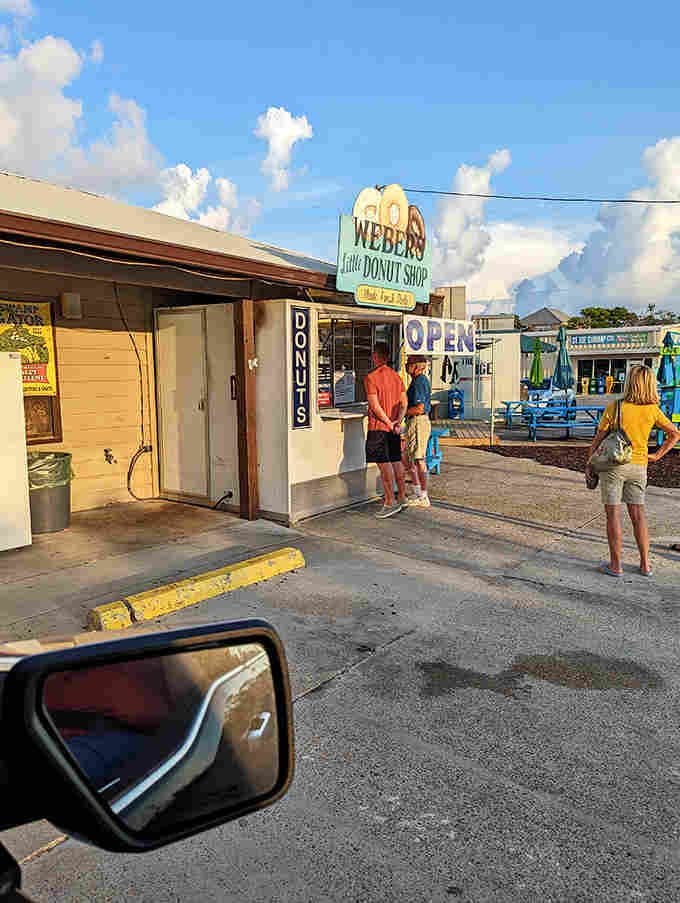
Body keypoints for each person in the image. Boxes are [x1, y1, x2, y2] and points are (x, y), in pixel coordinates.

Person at [586, 365, 680, 576]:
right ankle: (645, 564)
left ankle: (616, 565)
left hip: (613, 466)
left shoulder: (615, 407)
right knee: (638, 516)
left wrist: (589, 463)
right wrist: (657, 455)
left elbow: (598, 438)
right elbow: (675, 434)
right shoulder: (652, 410)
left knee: (613, 517)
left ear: (630, 382)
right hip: (639, 466)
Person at [364, 342, 408, 518]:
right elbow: (404, 403)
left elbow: (374, 406)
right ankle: (402, 498)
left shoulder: (371, 378)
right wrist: (398, 421)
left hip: (379, 428)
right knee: (396, 462)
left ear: (375, 355)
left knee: (384, 466)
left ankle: (389, 502)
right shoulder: (397, 377)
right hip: (394, 429)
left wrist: (389, 423)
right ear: (388, 356)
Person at [403, 355, 432, 508]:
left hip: (418, 421)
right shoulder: (416, 381)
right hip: (414, 422)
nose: (407, 366)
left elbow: (420, 407)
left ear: (417, 366)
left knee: (419, 459)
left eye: (409, 364)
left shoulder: (420, 381)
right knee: (407, 458)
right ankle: (416, 490)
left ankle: (423, 495)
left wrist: (402, 412)